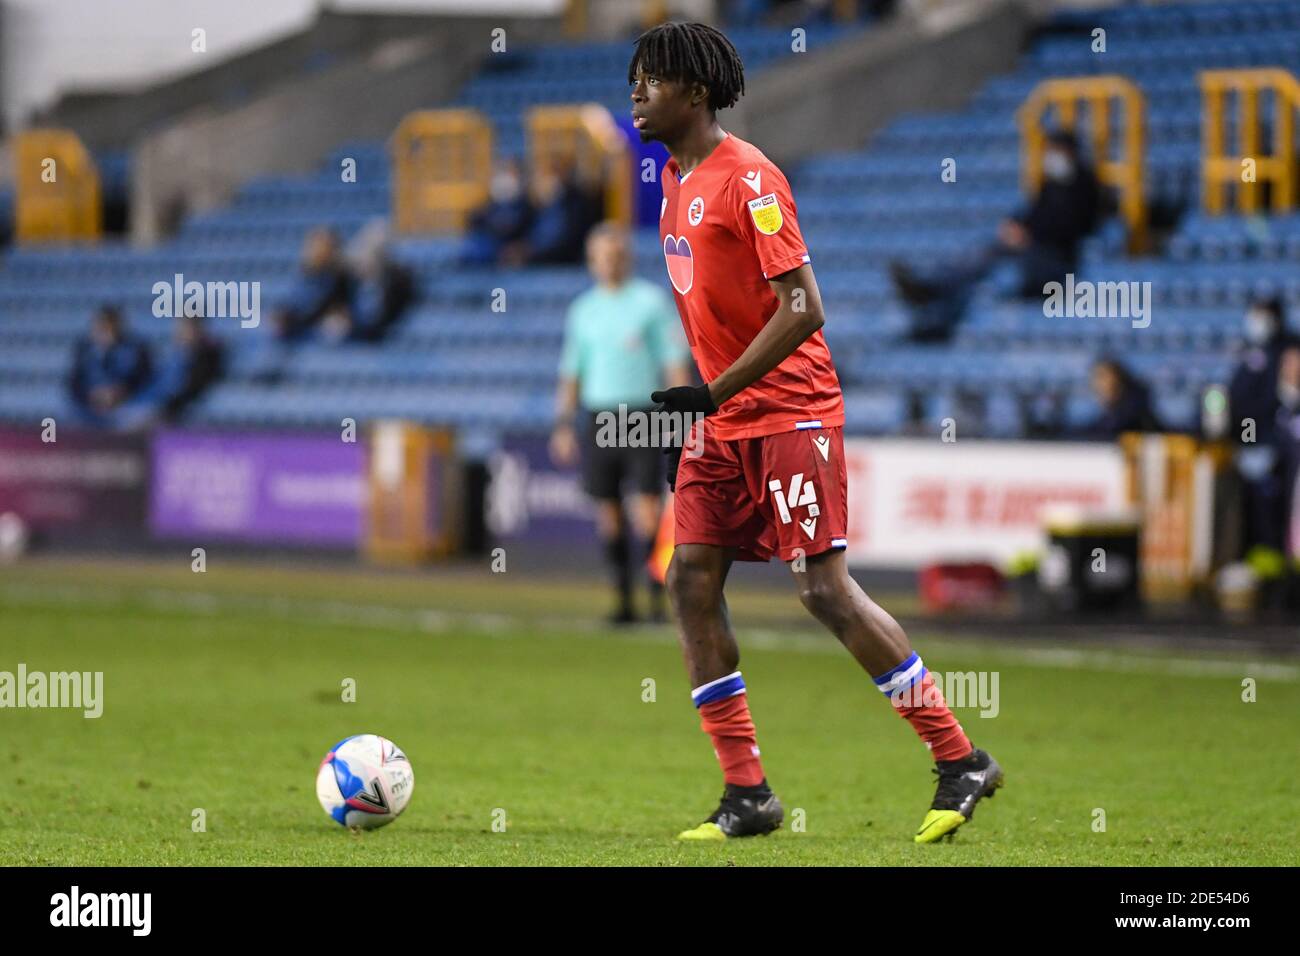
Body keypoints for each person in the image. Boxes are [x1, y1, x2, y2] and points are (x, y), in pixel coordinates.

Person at [629, 21, 1002, 844]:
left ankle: (958, 756)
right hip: (722, 418)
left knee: (821, 589)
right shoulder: (669, 178)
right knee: (689, 577)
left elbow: (805, 306)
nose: (636, 94)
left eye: (650, 80)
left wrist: (715, 390)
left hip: (791, 409)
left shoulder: (750, 179)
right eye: (634, 79)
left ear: (693, 91)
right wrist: (704, 408)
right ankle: (747, 795)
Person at [551, 222, 691, 624]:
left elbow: (673, 362)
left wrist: (683, 414)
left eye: (615, 255)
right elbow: (571, 371)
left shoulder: (650, 302)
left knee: (647, 509)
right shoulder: (583, 310)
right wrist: (563, 424)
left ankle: (657, 599)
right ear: (591, 260)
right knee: (607, 511)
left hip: (641, 415)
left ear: (626, 257)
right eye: (602, 256)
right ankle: (622, 599)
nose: (609, 263)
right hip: (599, 414)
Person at [891, 129, 1103, 342]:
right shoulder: (1051, 183)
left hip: (1054, 257)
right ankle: (934, 299)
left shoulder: (1084, 186)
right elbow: (1033, 212)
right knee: (981, 261)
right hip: (1030, 249)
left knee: (993, 277)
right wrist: (1014, 225)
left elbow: (1075, 225)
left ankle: (936, 297)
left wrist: (1030, 234)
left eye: (1057, 150)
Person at [1228, 296, 1298, 567]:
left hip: (1277, 443)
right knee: (1255, 508)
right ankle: (1264, 565)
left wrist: (1266, 441)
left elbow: (1277, 402)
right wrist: (1247, 440)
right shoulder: (1252, 353)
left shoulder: (1284, 349)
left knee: (1276, 506)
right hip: (1254, 441)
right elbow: (1241, 405)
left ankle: (1280, 566)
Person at [114, 312, 224, 429]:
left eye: (186, 327)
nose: (181, 331)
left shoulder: (208, 356)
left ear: (198, 328)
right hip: (151, 405)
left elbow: (193, 389)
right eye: (180, 326)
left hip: (172, 410)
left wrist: (166, 410)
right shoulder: (174, 354)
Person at [322, 221, 414, 344]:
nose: (364, 260)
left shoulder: (398, 283)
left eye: (373, 254)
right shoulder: (348, 280)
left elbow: (386, 321)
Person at [66, 305, 153, 427]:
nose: (104, 331)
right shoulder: (84, 349)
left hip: (127, 406)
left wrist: (121, 391)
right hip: (90, 407)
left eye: (108, 327)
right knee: (70, 411)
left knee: (142, 414)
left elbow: (145, 378)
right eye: (101, 327)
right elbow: (74, 382)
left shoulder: (137, 349)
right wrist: (91, 396)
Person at [271, 227, 353, 342]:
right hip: (304, 322)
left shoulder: (341, 276)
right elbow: (293, 302)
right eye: (315, 246)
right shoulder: (305, 273)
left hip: (326, 325)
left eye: (324, 246)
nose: (318, 250)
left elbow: (333, 305)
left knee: (335, 326)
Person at [458, 158, 534, 267]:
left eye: (511, 173)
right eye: (503, 172)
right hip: (479, 259)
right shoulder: (489, 206)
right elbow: (474, 220)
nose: (505, 179)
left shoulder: (527, 207)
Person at [1073, 357, 1162, 441]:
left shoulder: (1133, 418)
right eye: (1095, 378)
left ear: (1119, 382)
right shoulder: (1109, 418)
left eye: (1102, 377)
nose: (1096, 385)